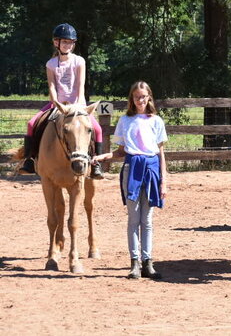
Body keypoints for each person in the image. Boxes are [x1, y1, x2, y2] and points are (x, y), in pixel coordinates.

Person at [19, 23, 104, 179]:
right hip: (58, 104)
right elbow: (52, 86)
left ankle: (95, 163)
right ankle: (30, 159)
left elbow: (80, 85)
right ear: (56, 43)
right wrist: (55, 102)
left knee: (97, 129)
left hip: (78, 104)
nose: (68, 45)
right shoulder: (51, 64)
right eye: (64, 42)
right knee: (31, 124)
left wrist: (78, 105)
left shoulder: (79, 61)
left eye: (71, 42)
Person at [111, 81, 168, 280]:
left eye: (143, 96)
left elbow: (161, 153)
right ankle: (134, 262)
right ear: (132, 99)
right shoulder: (125, 120)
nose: (140, 100)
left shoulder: (156, 121)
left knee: (148, 220)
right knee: (134, 219)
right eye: (137, 97)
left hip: (152, 170)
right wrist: (102, 157)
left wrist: (164, 181)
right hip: (132, 169)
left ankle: (148, 262)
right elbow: (120, 151)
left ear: (149, 97)